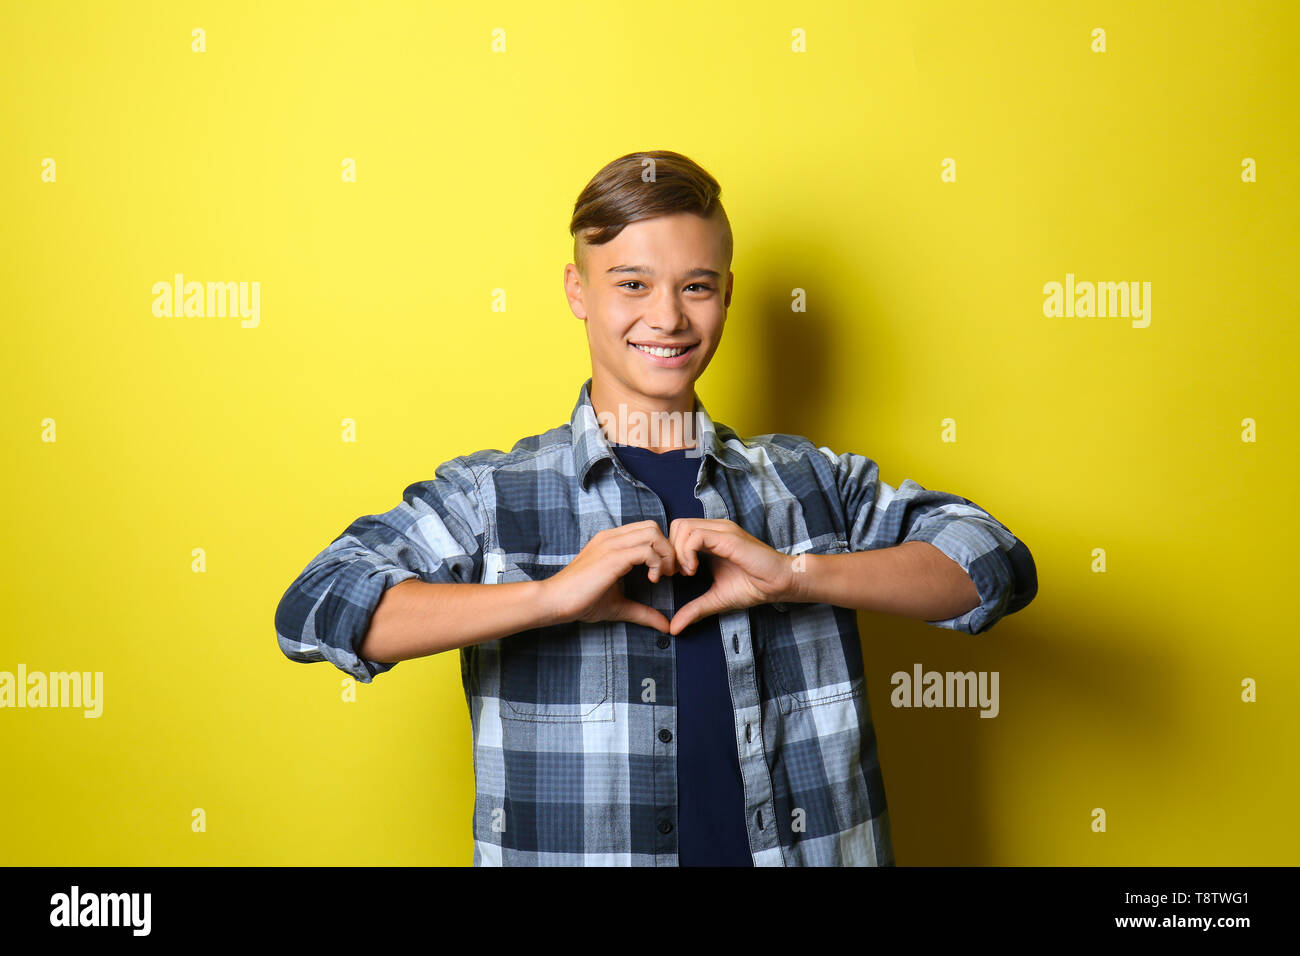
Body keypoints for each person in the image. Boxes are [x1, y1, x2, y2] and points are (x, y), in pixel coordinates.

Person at [274, 149, 1038, 866]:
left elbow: (994, 564)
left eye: (696, 285)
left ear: (726, 295)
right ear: (579, 292)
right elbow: (314, 609)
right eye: (632, 284)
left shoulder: (808, 481)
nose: (668, 318)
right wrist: (545, 599)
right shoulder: (493, 496)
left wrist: (798, 577)